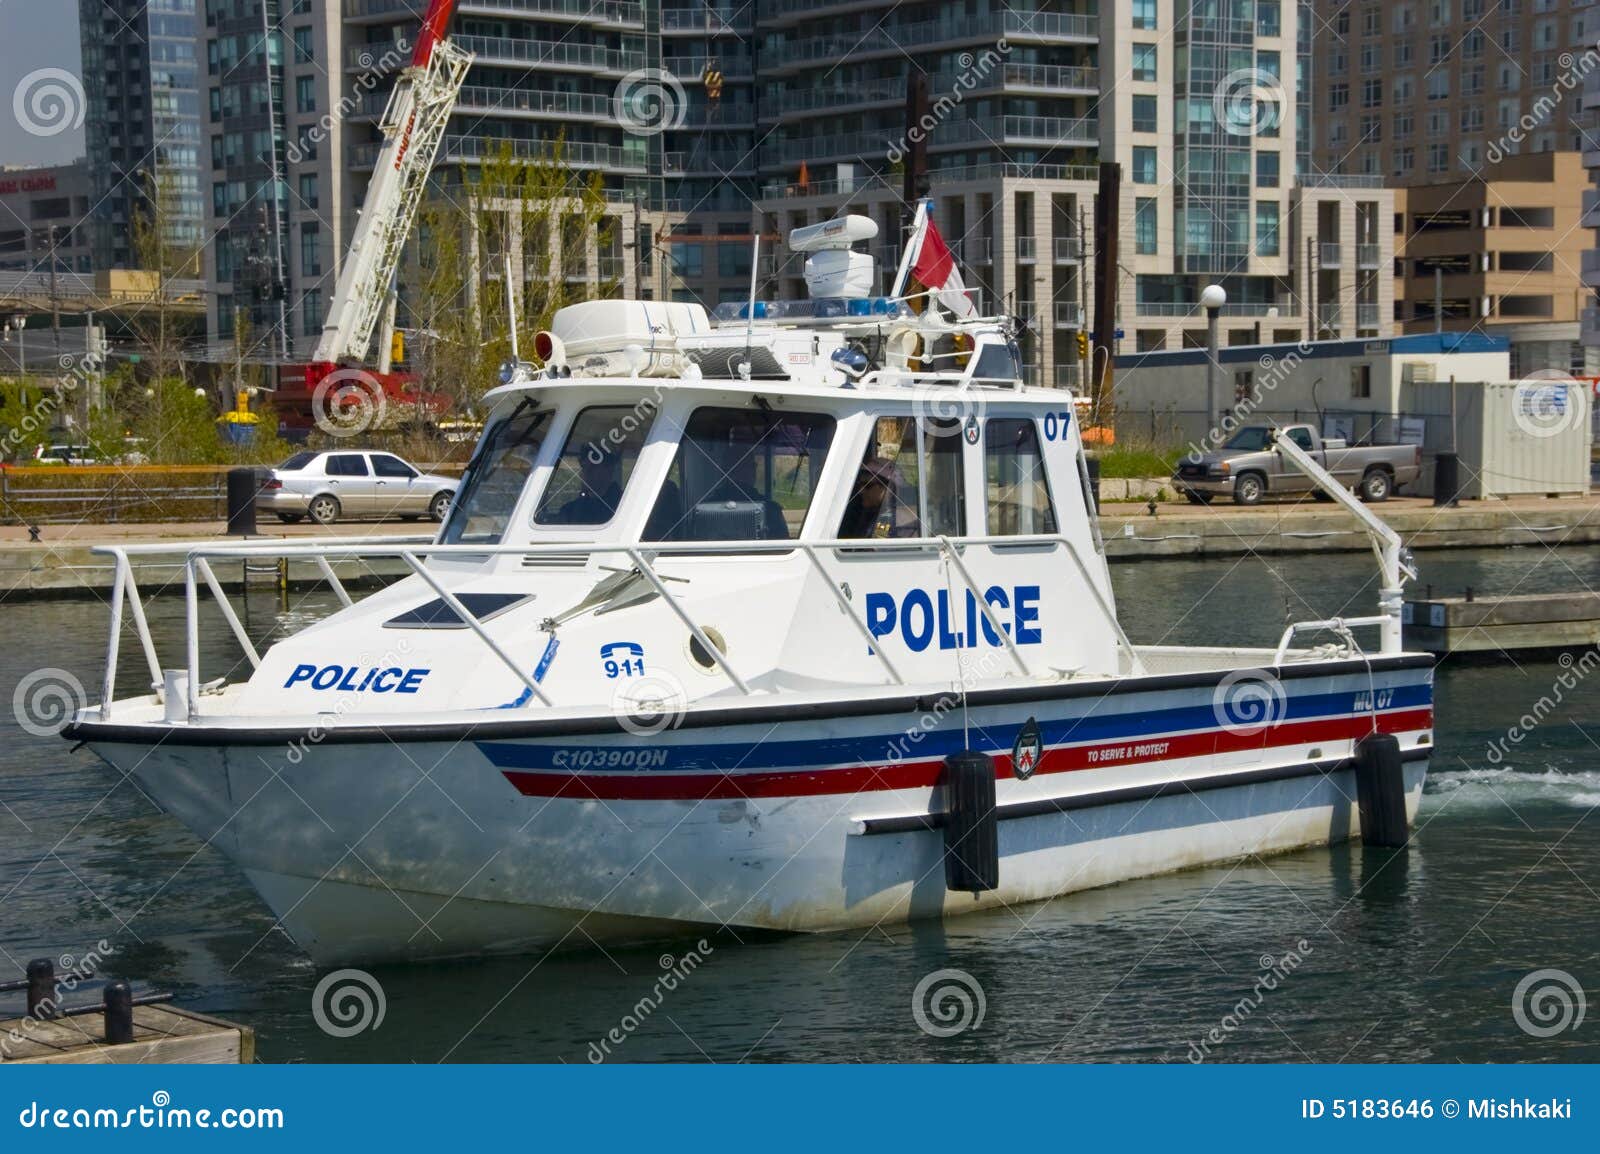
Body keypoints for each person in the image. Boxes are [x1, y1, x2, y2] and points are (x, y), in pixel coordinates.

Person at [838, 456, 919, 538]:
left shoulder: (886, 519)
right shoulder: (875, 513)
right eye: (859, 484)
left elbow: (872, 549)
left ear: (888, 488)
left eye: (867, 485)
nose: (860, 491)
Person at [547, 451, 623, 524]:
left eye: (592, 468)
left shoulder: (623, 504)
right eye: (583, 467)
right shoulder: (569, 510)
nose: (585, 473)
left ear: (608, 470)